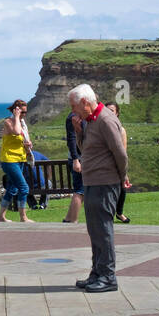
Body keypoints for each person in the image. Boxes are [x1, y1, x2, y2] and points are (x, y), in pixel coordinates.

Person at [68, 84, 127, 292]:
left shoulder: (106, 120)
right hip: (92, 181)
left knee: (103, 229)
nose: (73, 111)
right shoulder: (90, 121)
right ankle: (97, 273)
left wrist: (121, 178)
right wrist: (79, 133)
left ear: (85, 102)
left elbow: (120, 153)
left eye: (74, 106)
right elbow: (88, 150)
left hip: (105, 182)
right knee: (95, 230)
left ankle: (108, 277)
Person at [0, 100, 34, 223]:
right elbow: (16, 132)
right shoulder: (9, 122)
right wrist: (17, 117)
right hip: (9, 160)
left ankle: (1, 217)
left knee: (12, 188)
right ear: (15, 110)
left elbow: (20, 138)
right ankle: (23, 217)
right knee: (24, 188)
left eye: (25, 112)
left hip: (20, 158)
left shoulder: (22, 124)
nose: (24, 114)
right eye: (22, 112)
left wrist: (27, 144)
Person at [109, 103, 133, 223]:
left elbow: (123, 151)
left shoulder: (121, 130)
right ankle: (110, 213)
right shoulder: (101, 127)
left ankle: (119, 213)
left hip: (116, 163)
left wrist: (124, 170)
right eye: (107, 110)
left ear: (117, 113)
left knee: (122, 188)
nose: (109, 113)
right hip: (105, 164)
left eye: (112, 111)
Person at [62, 111, 85, 223]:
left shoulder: (79, 117)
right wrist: (76, 160)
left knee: (80, 190)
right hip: (79, 158)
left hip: (78, 158)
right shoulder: (74, 117)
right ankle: (73, 220)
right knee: (80, 191)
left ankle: (68, 218)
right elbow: (71, 140)